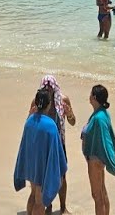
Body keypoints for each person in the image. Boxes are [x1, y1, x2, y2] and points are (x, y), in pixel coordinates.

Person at [14, 87, 69, 215]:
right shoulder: (50, 125)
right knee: (40, 202)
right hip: (42, 168)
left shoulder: (29, 121)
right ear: (49, 104)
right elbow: (56, 150)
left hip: (31, 165)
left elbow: (24, 145)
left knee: (33, 194)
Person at [28, 75, 76, 213]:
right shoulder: (36, 101)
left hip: (59, 143)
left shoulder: (63, 100)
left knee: (62, 176)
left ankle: (62, 207)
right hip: (41, 145)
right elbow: (29, 123)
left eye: (50, 89)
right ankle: (47, 206)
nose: (48, 91)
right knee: (42, 177)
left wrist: (70, 114)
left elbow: (72, 122)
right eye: (46, 88)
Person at [81, 84, 115, 215]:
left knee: (97, 196)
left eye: (90, 94)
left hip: (95, 159)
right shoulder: (101, 113)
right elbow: (110, 137)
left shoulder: (99, 118)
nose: (89, 96)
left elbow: (107, 141)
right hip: (96, 159)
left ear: (94, 97)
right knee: (102, 192)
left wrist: (114, 167)